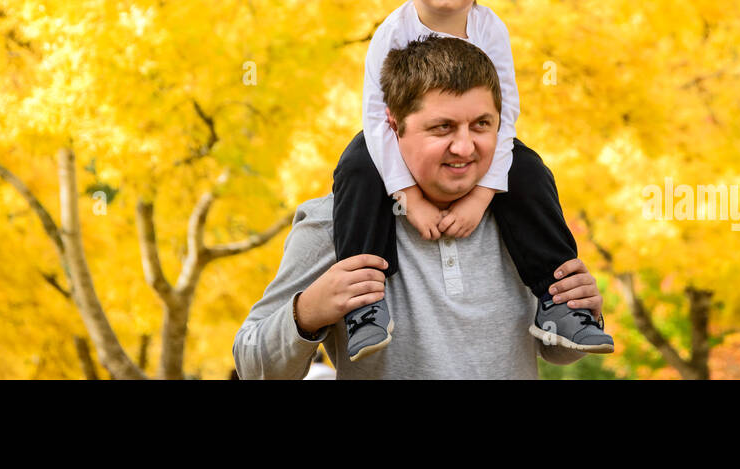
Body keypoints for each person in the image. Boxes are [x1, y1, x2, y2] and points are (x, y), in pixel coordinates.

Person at [232, 34, 607, 379]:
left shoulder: (524, 217)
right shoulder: (333, 223)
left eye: (481, 125)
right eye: (442, 128)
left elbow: (554, 351)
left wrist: (581, 308)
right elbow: (251, 365)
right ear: (393, 128)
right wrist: (307, 313)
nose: (464, 147)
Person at [332, 0, 612, 360]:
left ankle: (560, 301)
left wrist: (483, 193)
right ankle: (365, 302)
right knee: (358, 164)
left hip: (481, 145)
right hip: (397, 143)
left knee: (529, 170)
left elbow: (506, 114)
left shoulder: (490, 29)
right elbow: (376, 121)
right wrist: (410, 197)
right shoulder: (390, 34)